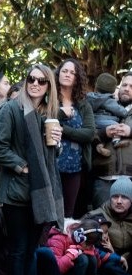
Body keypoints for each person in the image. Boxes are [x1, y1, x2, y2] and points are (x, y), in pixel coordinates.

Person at [0, 63, 64, 275]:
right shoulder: (11, 109)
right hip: (17, 193)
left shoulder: (47, 113)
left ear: (49, 87)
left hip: (41, 194)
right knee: (19, 250)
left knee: (31, 250)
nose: (34, 84)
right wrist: (21, 166)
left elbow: (51, 157)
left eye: (41, 81)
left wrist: (58, 143)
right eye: (31, 79)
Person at [54, 58, 95, 218]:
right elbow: (43, 121)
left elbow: (89, 133)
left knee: (68, 214)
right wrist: (61, 114)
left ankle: (62, 242)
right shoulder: (49, 100)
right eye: (64, 71)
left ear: (77, 78)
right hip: (50, 166)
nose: (68, 74)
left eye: (72, 72)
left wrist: (63, 129)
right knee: (49, 214)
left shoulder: (83, 105)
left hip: (75, 168)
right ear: (58, 74)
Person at [91, 72, 132, 206]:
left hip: (130, 178)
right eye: (124, 85)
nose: (127, 88)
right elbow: (85, 133)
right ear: (118, 87)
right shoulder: (100, 106)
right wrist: (103, 133)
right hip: (103, 177)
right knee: (101, 222)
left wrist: (130, 131)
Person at [86, 72, 127, 156]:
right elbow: (119, 111)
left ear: (96, 86)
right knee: (117, 127)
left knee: (98, 136)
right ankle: (116, 142)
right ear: (112, 90)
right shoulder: (108, 100)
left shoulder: (89, 97)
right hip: (106, 122)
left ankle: (99, 146)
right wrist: (126, 111)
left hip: (94, 122)